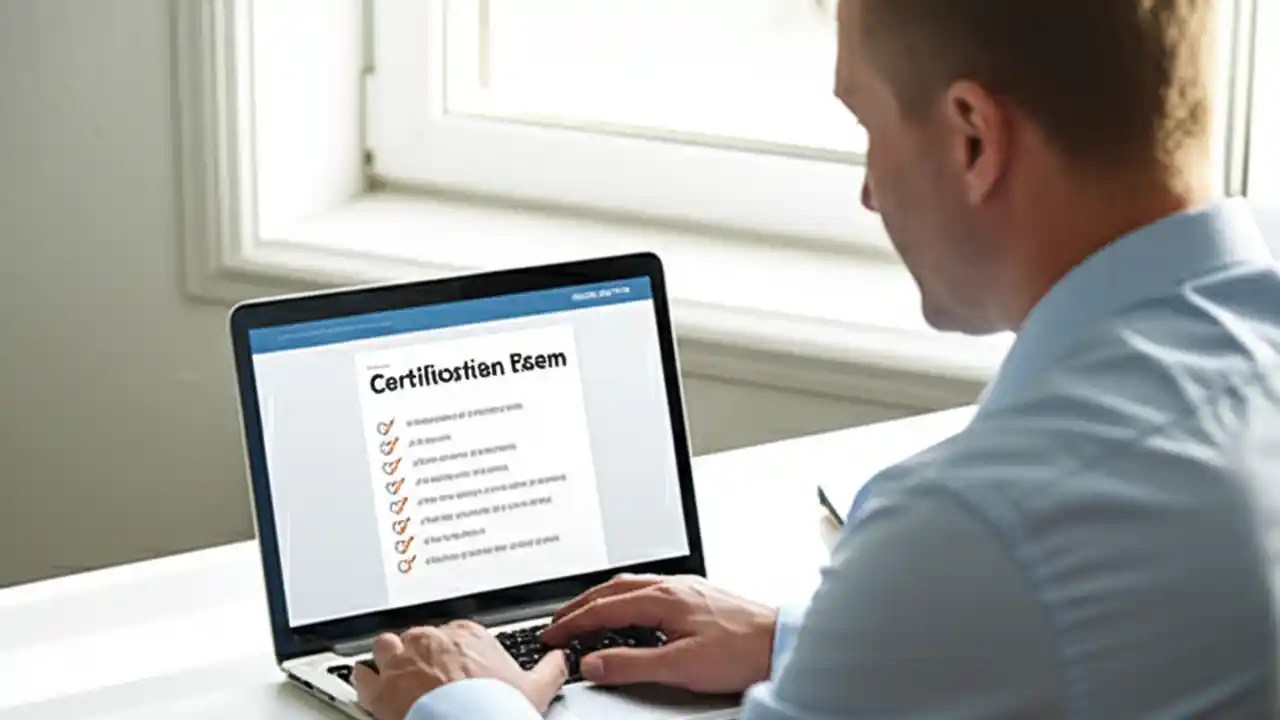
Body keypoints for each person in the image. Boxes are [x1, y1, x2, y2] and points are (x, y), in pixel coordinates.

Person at [353, 0, 1280, 717]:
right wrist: (803, 640)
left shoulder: (977, 528)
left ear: (971, 138)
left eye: (870, 124)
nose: (871, 191)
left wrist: (462, 700)